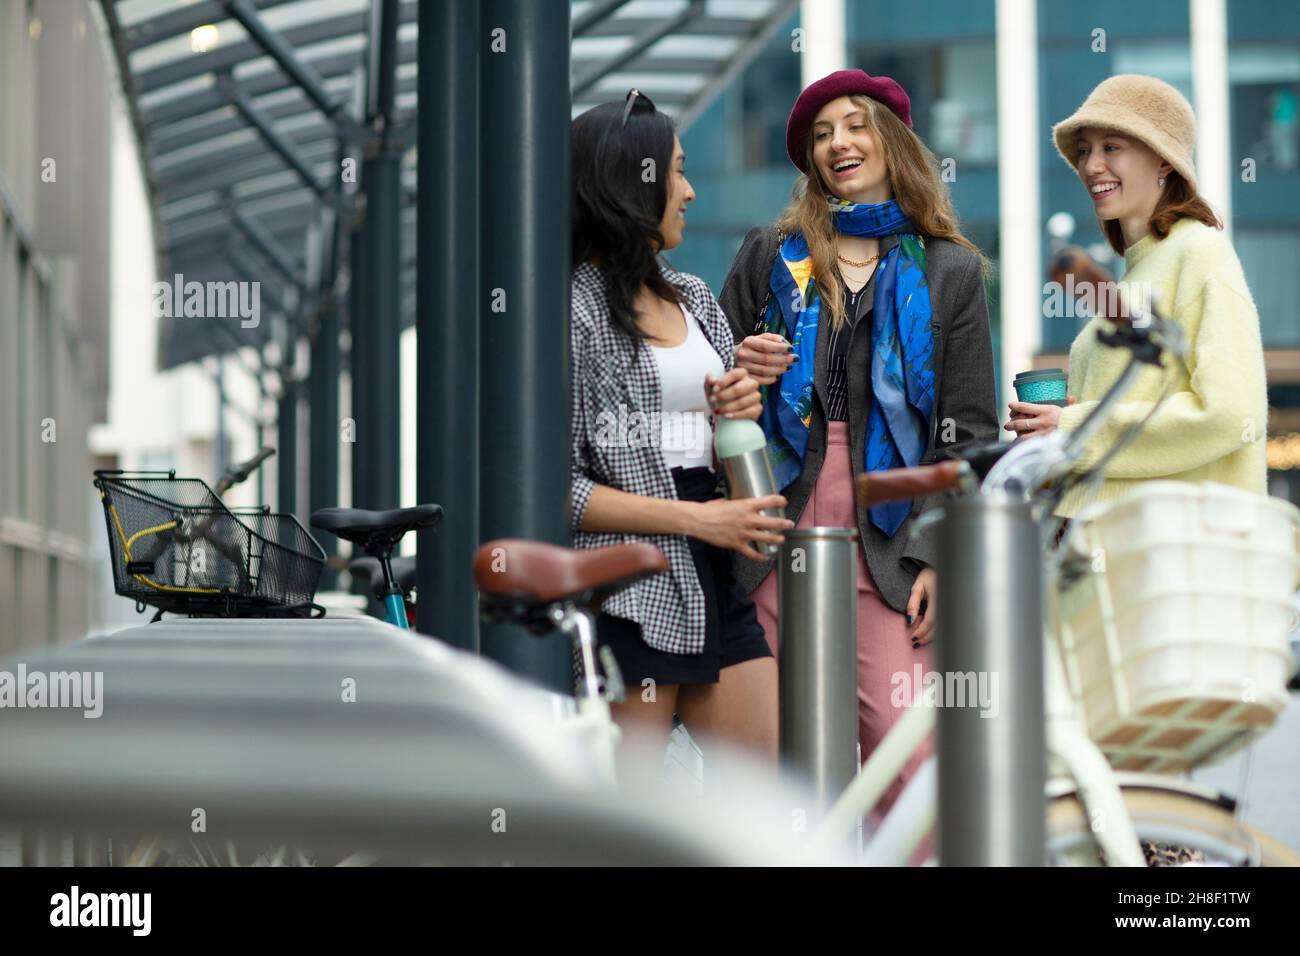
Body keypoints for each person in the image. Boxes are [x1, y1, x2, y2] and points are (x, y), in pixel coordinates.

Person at [719, 70, 998, 812]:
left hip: (894, 522)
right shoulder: (768, 254)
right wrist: (741, 368)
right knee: (770, 762)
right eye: (821, 134)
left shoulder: (951, 271)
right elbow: (711, 384)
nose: (838, 143)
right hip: (774, 509)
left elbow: (968, 434)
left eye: (855, 124)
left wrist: (938, 555)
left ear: (892, 140)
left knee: (907, 760)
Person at [568, 90, 793, 774]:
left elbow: (732, 435)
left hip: (713, 566)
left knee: (760, 798)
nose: (690, 192)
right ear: (630, 184)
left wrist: (739, 405)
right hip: (628, 580)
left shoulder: (693, 296)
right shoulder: (572, 311)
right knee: (629, 822)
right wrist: (700, 522)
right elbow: (560, 491)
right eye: (678, 172)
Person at [1007, 75, 1268, 519]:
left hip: (1179, 559)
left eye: (1112, 147)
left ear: (1164, 162)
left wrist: (1071, 429)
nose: (1091, 166)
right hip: (1117, 559)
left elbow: (1230, 415)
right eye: (1085, 150)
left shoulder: (1199, 252)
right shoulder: (1134, 275)